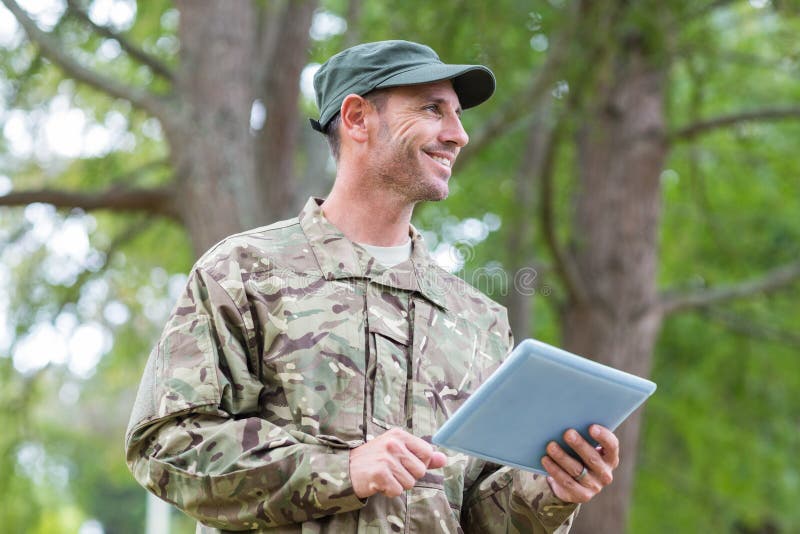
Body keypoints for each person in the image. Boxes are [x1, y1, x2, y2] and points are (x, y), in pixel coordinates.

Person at [125, 40, 619, 533]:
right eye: (432, 109)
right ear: (358, 118)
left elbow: (475, 515)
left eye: (458, 115)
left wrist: (551, 489)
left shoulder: (478, 320)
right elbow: (165, 446)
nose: (459, 135)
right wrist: (343, 471)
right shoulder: (244, 273)